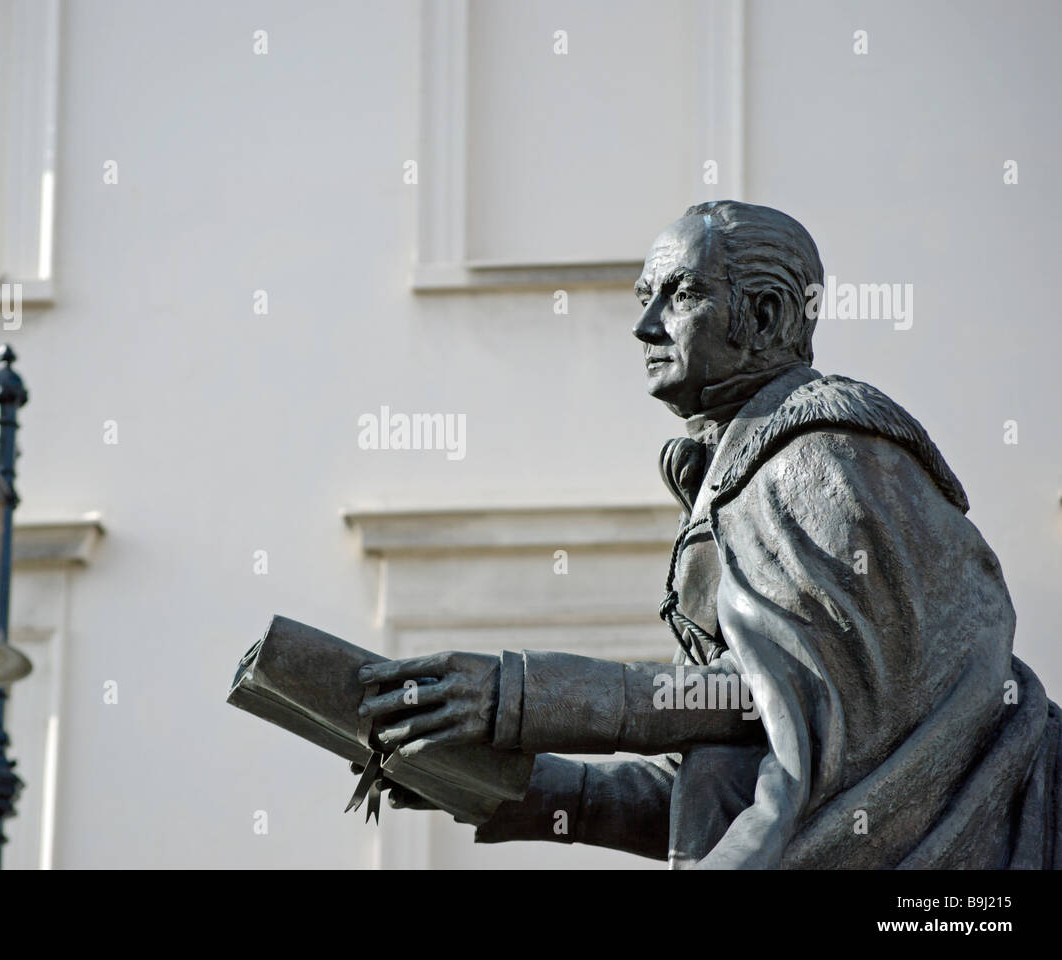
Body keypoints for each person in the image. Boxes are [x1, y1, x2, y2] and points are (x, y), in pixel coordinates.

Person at [357, 201, 1062, 869]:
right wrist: (512, 784)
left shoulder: (825, 458)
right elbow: (726, 774)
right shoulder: (744, 464)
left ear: (764, 314)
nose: (647, 327)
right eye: (644, 298)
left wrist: (516, 696)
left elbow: (787, 704)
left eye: (682, 295)